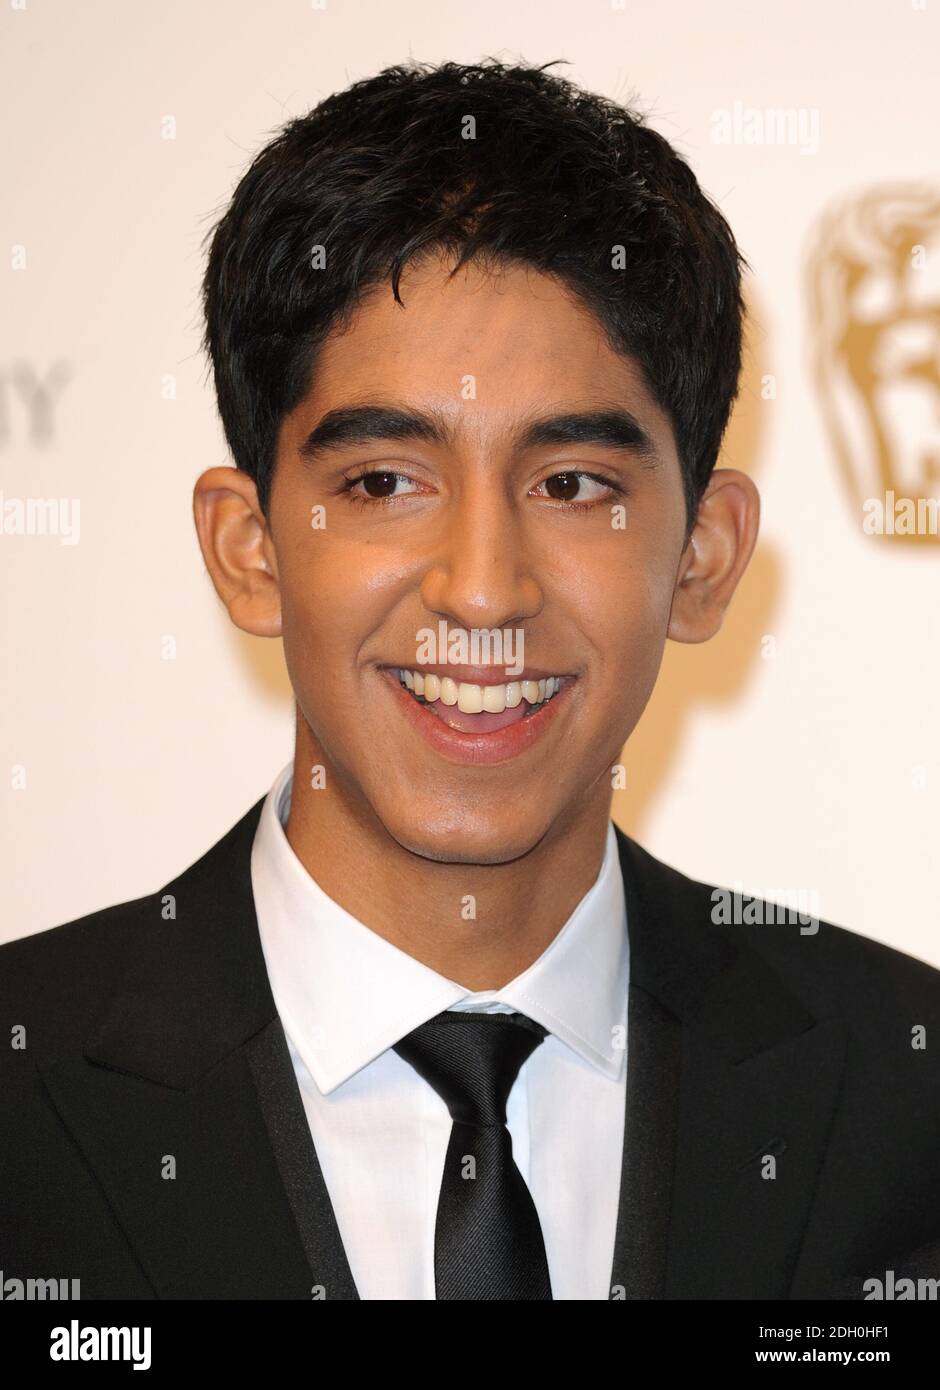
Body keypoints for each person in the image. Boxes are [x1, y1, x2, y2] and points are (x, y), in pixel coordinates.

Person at [2, 58, 938, 1302]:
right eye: (384, 481)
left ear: (703, 558)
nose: (483, 589)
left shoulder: (905, 1101)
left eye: (572, 486)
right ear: (249, 549)